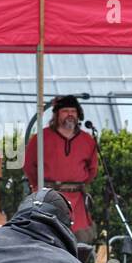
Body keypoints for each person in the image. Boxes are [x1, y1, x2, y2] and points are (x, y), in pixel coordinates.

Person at [23, 94, 100, 244]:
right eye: (65, 111)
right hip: (48, 199)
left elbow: (92, 170)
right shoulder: (41, 137)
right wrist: (39, 187)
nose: (70, 114)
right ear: (57, 114)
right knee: (47, 242)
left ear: (78, 115)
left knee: (80, 244)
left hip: (77, 202)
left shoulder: (88, 140)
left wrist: (76, 183)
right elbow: (29, 165)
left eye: (73, 111)